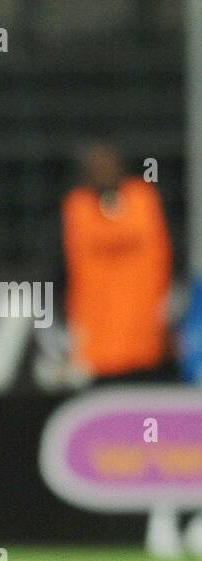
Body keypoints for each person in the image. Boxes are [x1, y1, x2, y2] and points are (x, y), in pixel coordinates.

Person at [62, 142, 174, 383]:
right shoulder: (78, 207)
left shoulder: (144, 199)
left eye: (107, 164)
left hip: (145, 340)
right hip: (96, 343)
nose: (104, 172)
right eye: (96, 167)